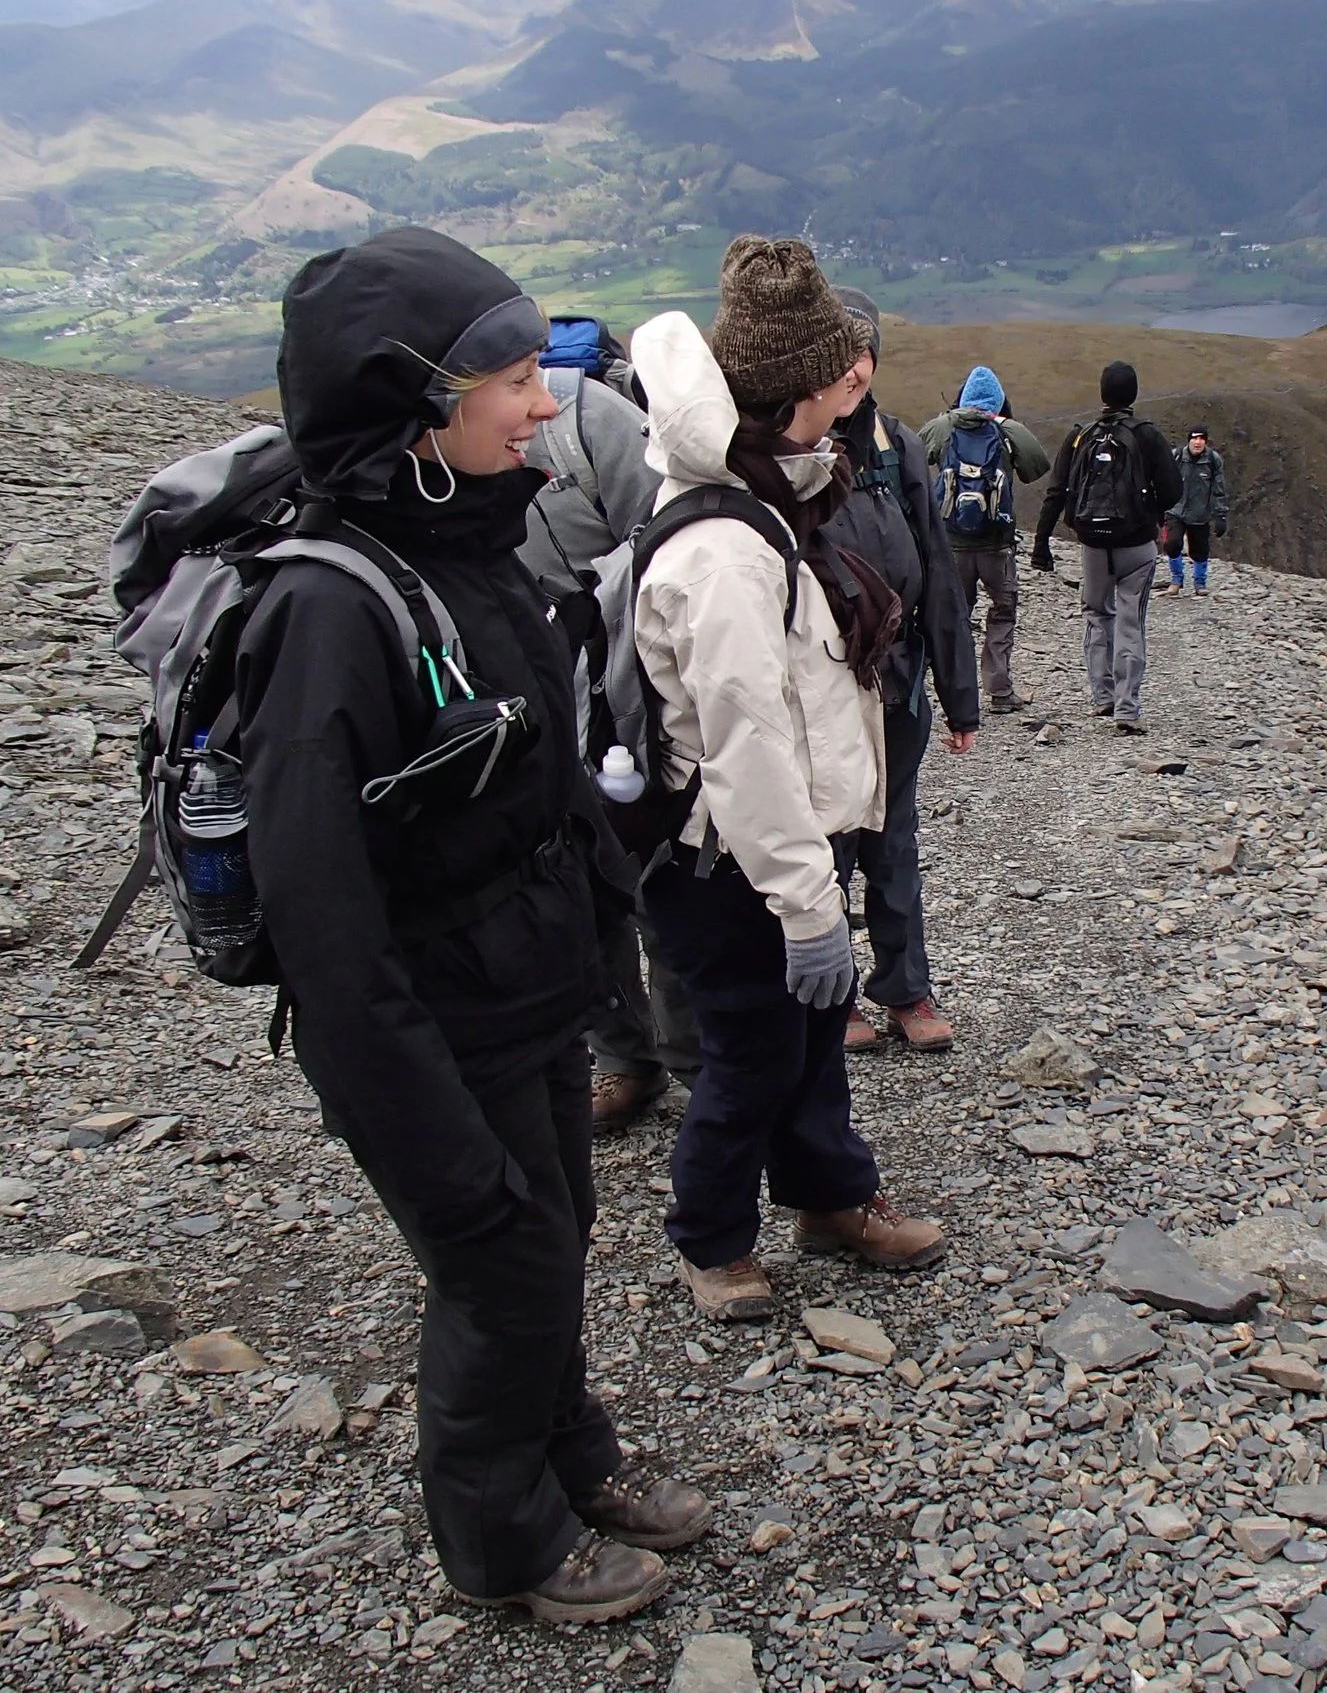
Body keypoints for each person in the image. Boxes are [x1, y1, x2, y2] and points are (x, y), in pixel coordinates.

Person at [237, 226, 706, 1626]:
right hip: (433, 1034)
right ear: (421, 408)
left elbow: (536, 777)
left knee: (547, 1236)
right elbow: (323, 921)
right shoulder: (329, 610)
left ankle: (570, 1461)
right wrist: (420, 1121)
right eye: (510, 378)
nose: (546, 399)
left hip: (521, 1000)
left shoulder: (466, 542)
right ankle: (503, 1540)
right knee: (496, 1260)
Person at [632, 235, 948, 1324]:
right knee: (753, 1050)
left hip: (781, 851)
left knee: (810, 1036)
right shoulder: (726, 549)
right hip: (728, 863)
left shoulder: (767, 497)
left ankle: (829, 1201)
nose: (853, 386)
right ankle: (711, 1243)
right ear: (803, 388)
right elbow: (746, 742)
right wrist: (807, 904)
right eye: (838, 371)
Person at [518, 316, 701, 1134]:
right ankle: (622, 1058)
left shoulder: (590, 420)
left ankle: (692, 1056)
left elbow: (660, 545)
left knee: (649, 869)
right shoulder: (435, 446)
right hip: (532, 690)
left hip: (622, 684)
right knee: (577, 883)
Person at [821, 289, 981, 1054]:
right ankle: (834, 997)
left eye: (861, 347)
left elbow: (940, 575)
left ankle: (905, 989)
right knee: (830, 843)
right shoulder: (790, 446)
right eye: (836, 347)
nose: (851, 363)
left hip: (899, 685)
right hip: (823, 691)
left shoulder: (896, 448)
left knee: (894, 839)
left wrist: (960, 698)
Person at [1032, 361, 1181, 735]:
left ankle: (1103, 695)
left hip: (1093, 545)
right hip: (1137, 546)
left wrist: (1041, 543)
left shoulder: (1082, 436)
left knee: (1098, 614)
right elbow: (1174, 490)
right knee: (1131, 621)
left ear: (1102, 393)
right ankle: (1127, 709)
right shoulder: (1146, 435)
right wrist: (1150, 513)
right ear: (1133, 393)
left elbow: (1057, 491)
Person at [920, 366, 1050, 712]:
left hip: (952, 545)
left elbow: (915, 461)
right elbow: (1037, 467)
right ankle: (1000, 691)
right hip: (997, 545)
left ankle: (953, 694)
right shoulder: (1008, 431)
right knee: (1002, 613)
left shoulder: (942, 427)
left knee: (955, 616)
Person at [1165, 425, 1230, 596]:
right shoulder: (1176, 456)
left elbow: (1219, 489)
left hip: (1200, 513)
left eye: (1202, 438)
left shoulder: (1213, 460)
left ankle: (1200, 582)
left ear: (1206, 441)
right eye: (1194, 438)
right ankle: (1176, 580)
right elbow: (1163, 481)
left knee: (1200, 550)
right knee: (1172, 544)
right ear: (1189, 440)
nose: (1198, 442)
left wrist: (1221, 516)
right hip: (1175, 510)